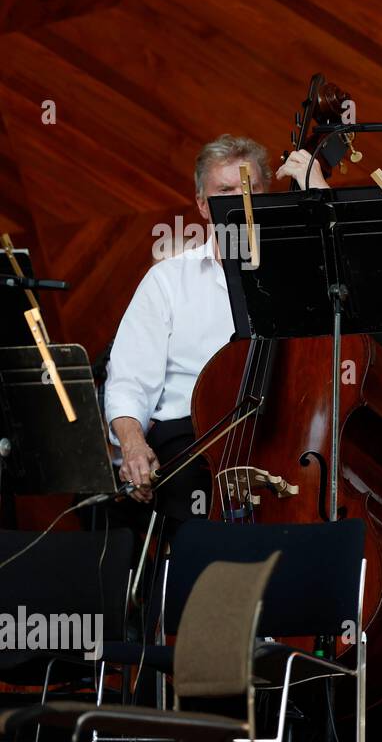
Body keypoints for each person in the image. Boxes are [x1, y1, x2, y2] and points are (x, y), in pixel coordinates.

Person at [104, 134, 325, 516]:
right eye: (225, 191)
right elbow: (129, 382)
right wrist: (134, 445)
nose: (241, 202)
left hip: (280, 436)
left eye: (251, 190)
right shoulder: (167, 281)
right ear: (203, 206)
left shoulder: (299, 278)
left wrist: (320, 195)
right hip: (190, 443)